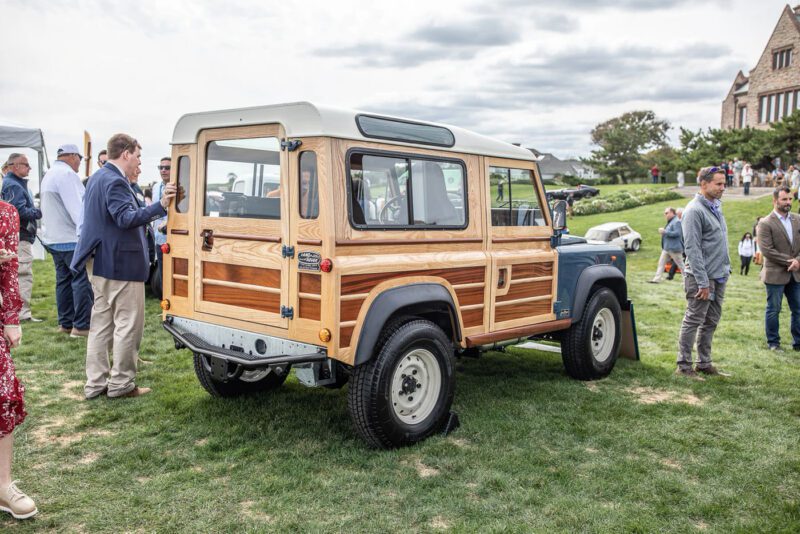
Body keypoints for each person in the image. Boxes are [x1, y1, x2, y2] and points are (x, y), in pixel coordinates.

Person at [70, 134, 176, 399]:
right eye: (138, 156)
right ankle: (121, 383)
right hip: (120, 264)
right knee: (128, 324)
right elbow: (125, 218)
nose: (139, 161)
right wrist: (160, 206)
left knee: (101, 325)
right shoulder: (115, 180)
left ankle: (95, 383)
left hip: (100, 262)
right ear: (126, 153)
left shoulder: (98, 177)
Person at [0, 199, 37, 519]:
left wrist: (12, 316)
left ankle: (3, 485)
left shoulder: (5, 213)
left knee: (3, 398)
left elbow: (10, 270)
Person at [676, 166, 730, 378]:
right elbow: (692, 249)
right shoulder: (694, 210)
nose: (722, 188)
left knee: (711, 321)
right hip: (701, 279)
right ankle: (684, 366)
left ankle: (704, 363)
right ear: (704, 184)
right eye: (718, 184)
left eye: (724, 184)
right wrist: (702, 282)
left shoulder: (716, 206)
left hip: (719, 275)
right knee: (693, 320)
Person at [39, 144, 93, 337]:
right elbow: (78, 211)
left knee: (63, 281)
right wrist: (88, 236)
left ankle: (66, 323)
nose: (80, 162)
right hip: (71, 239)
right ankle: (82, 326)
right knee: (81, 281)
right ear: (71, 156)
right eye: (80, 158)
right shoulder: (67, 175)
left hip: (54, 239)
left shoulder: (50, 174)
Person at [757, 186, 800, 351]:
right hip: (775, 274)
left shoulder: (798, 219)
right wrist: (791, 261)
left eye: (790, 199)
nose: (788, 202)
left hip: (796, 274)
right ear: (775, 201)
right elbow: (767, 250)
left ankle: (798, 343)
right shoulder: (765, 223)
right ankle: (773, 343)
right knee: (774, 309)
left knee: (798, 309)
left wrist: (798, 261)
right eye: (784, 199)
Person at [1, 154, 42, 322]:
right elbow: (18, 212)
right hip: (20, 236)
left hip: (16, 235)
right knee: (23, 274)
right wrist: (38, 212)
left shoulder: (11, 183)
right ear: (15, 166)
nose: (29, 168)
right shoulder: (14, 185)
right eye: (26, 165)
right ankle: (22, 314)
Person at [650, 207, 684, 283]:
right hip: (667, 248)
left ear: (672, 213)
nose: (665, 215)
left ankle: (687, 281)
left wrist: (665, 232)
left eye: (666, 213)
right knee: (661, 263)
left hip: (674, 248)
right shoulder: (671, 221)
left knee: (681, 266)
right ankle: (656, 279)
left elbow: (677, 233)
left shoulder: (677, 221)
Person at [151, 157, 171, 280]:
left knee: (171, 275)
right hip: (158, 239)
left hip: (172, 238)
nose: (163, 170)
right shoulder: (155, 187)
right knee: (163, 275)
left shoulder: (178, 186)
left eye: (167, 168)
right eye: (161, 167)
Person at [666, 207, 685, 280]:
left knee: (679, 260)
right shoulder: (677, 221)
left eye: (678, 214)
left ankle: (671, 275)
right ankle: (671, 275)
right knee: (678, 260)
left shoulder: (682, 221)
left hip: (685, 244)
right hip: (681, 244)